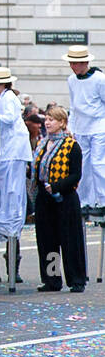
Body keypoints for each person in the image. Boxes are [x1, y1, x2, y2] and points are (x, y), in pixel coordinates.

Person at [31, 106, 88, 292]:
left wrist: (55, 186)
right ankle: (52, 280)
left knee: (70, 241)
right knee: (47, 241)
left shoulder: (72, 145)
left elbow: (75, 174)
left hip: (65, 198)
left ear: (62, 123)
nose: (47, 122)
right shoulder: (42, 143)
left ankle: (76, 280)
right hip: (44, 199)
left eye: (52, 119)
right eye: (46, 119)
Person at [0, 66, 32, 255]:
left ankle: (11, 223)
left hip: (14, 149)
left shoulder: (8, 98)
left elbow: (8, 118)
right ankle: (6, 221)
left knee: (13, 187)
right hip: (9, 148)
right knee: (8, 186)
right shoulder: (3, 97)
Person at [63, 45, 105, 227]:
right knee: (83, 165)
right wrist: (71, 126)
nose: (73, 66)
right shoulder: (72, 80)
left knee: (98, 163)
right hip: (81, 127)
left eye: (76, 63)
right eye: (71, 63)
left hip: (98, 126)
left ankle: (102, 200)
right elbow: (73, 105)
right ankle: (85, 200)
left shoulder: (99, 79)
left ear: (85, 63)